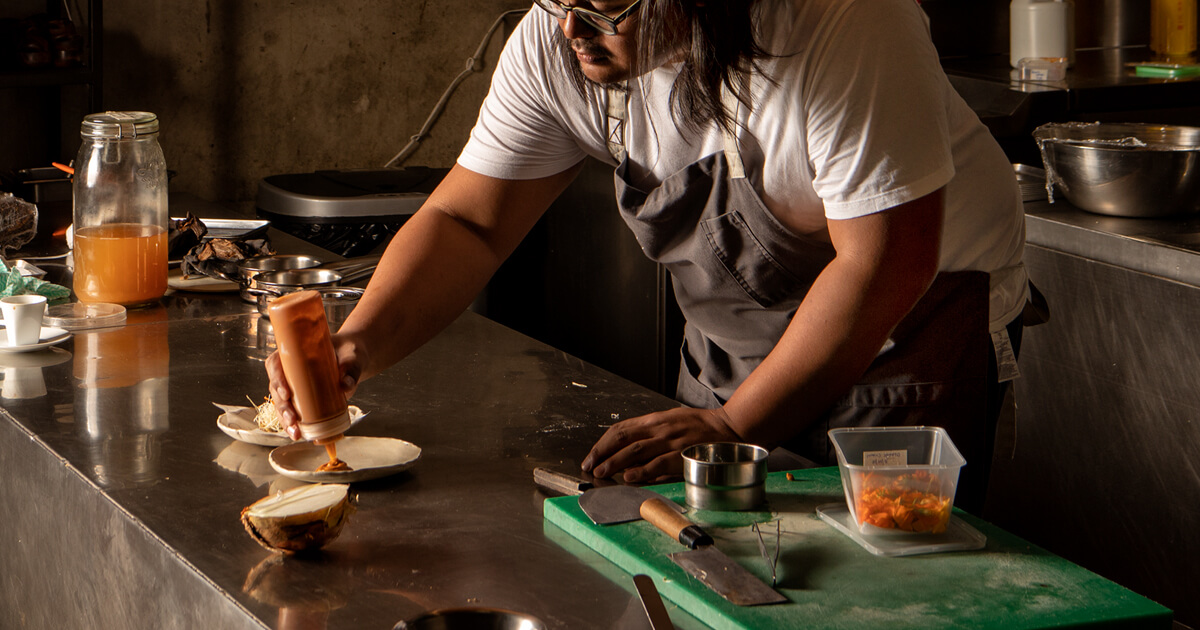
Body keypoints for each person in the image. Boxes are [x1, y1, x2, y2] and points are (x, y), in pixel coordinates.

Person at [266, 0, 1031, 512]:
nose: (571, 28)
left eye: (605, 10)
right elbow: (471, 220)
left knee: (867, 593)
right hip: (733, 349)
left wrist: (732, 425)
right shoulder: (562, 35)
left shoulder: (844, 22)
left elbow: (885, 262)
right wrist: (357, 342)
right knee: (710, 573)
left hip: (903, 341)